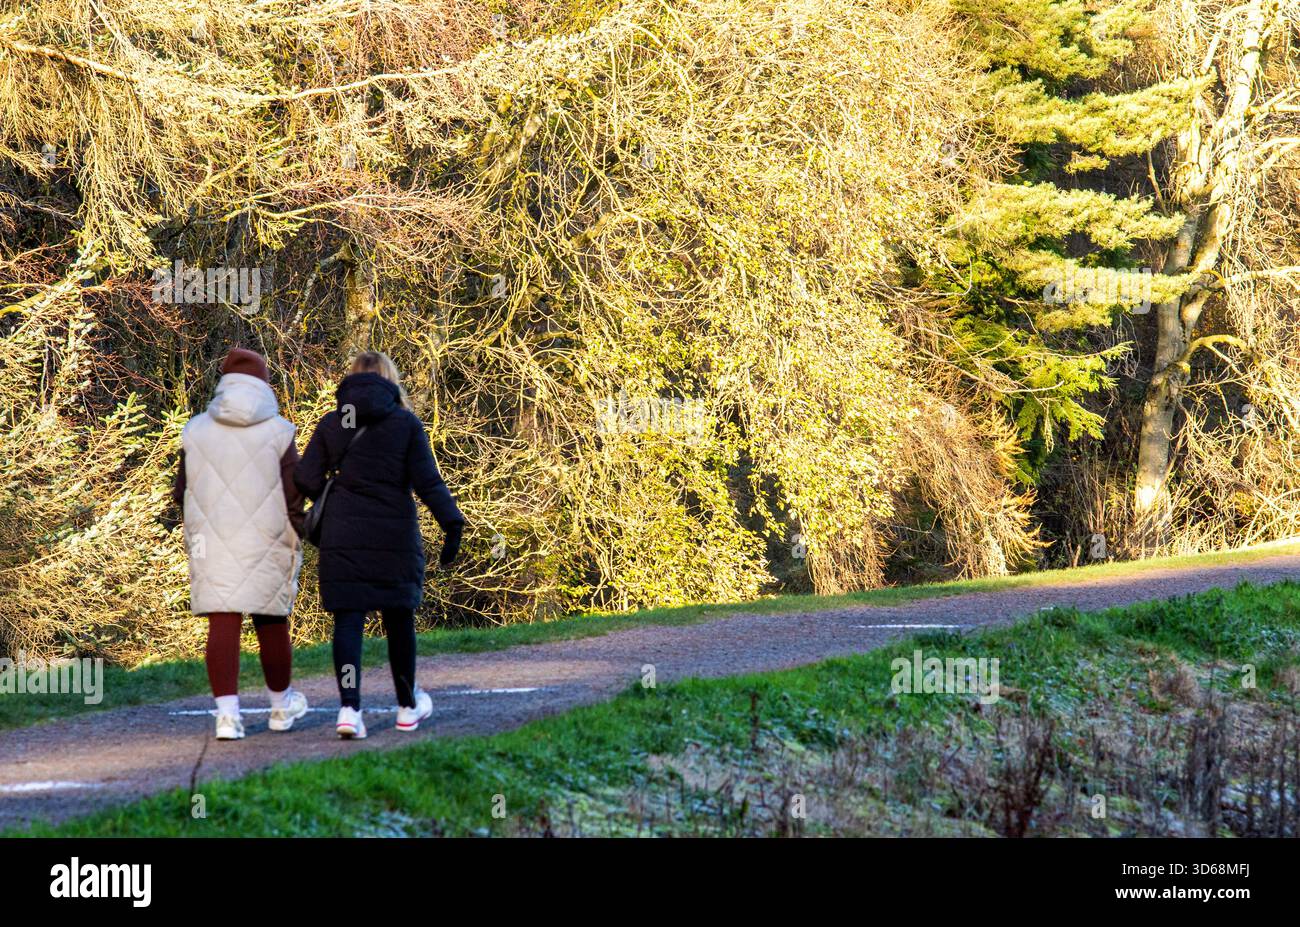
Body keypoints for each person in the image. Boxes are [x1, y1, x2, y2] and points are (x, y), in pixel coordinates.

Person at [295, 351, 464, 738]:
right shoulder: (405, 423)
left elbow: (304, 477)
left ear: (351, 380)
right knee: (399, 620)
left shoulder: (336, 422)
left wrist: (334, 493)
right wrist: (452, 524)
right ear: (390, 379)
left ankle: (349, 712)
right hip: (395, 536)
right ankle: (406, 706)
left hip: (343, 536)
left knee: (349, 621)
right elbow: (428, 483)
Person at [174, 348, 309, 740]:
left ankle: (227, 717)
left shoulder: (195, 430)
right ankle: (281, 708)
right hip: (268, 536)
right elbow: (294, 492)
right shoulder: (281, 431)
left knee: (222, 619)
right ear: (264, 383)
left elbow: (181, 490)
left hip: (211, 538)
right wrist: (301, 530)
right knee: (271, 620)